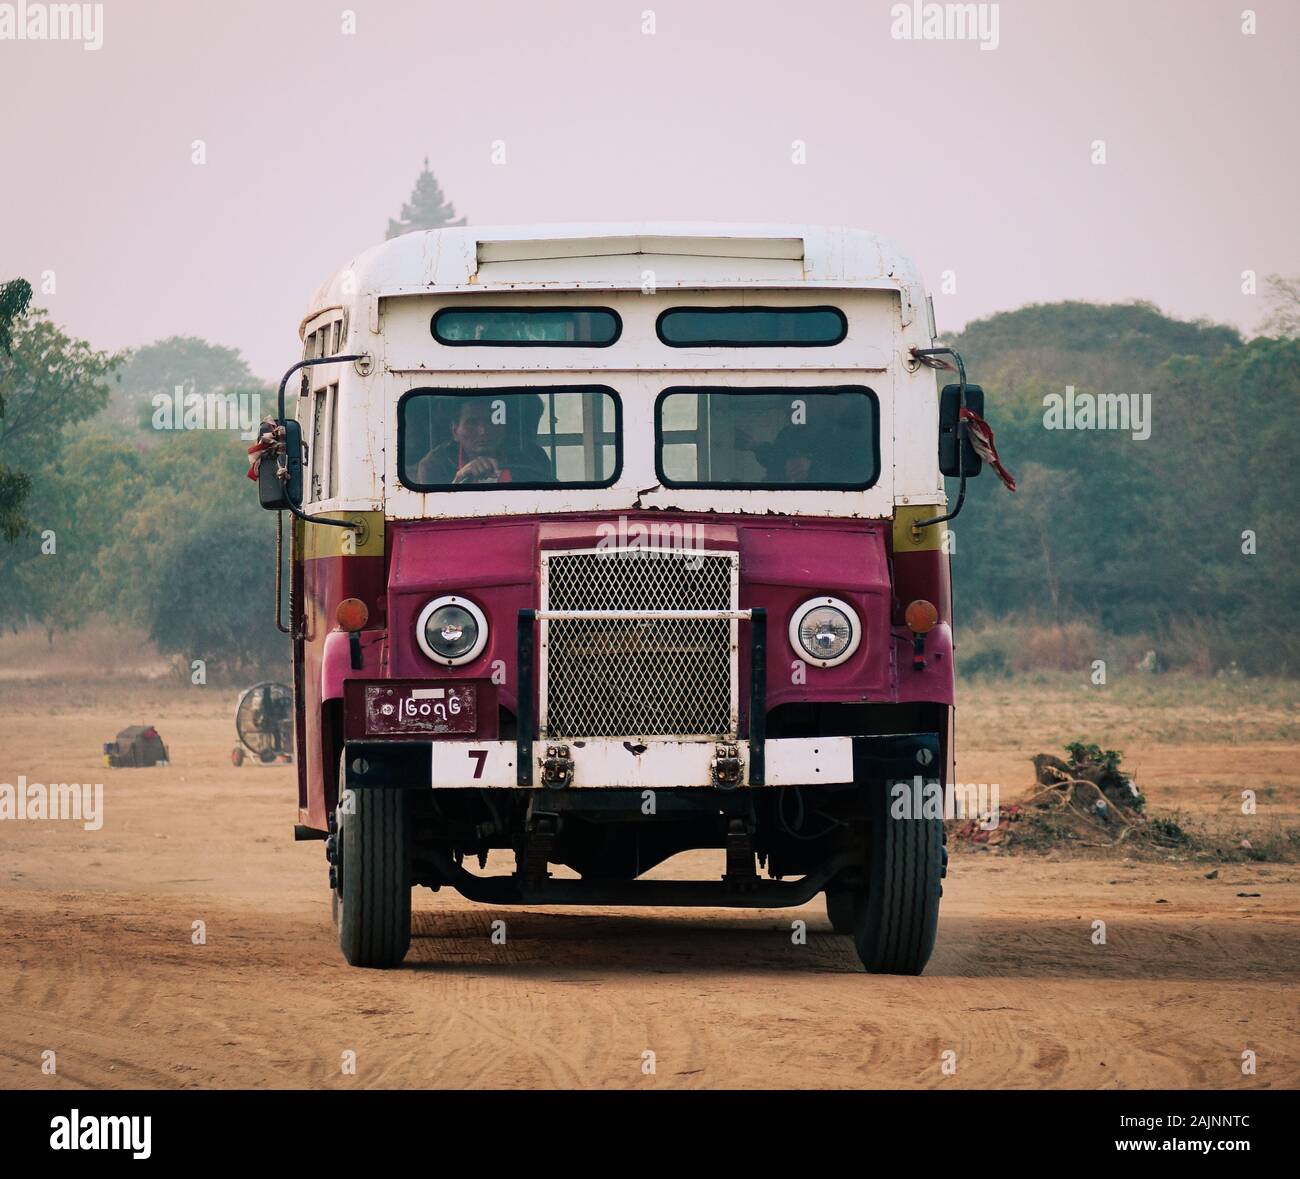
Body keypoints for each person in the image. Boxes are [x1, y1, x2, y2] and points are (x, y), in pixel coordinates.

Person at [415, 396, 553, 485]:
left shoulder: (531, 459)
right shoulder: (435, 464)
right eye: (472, 422)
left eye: (492, 421)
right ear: (455, 431)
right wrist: (459, 479)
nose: (483, 431)